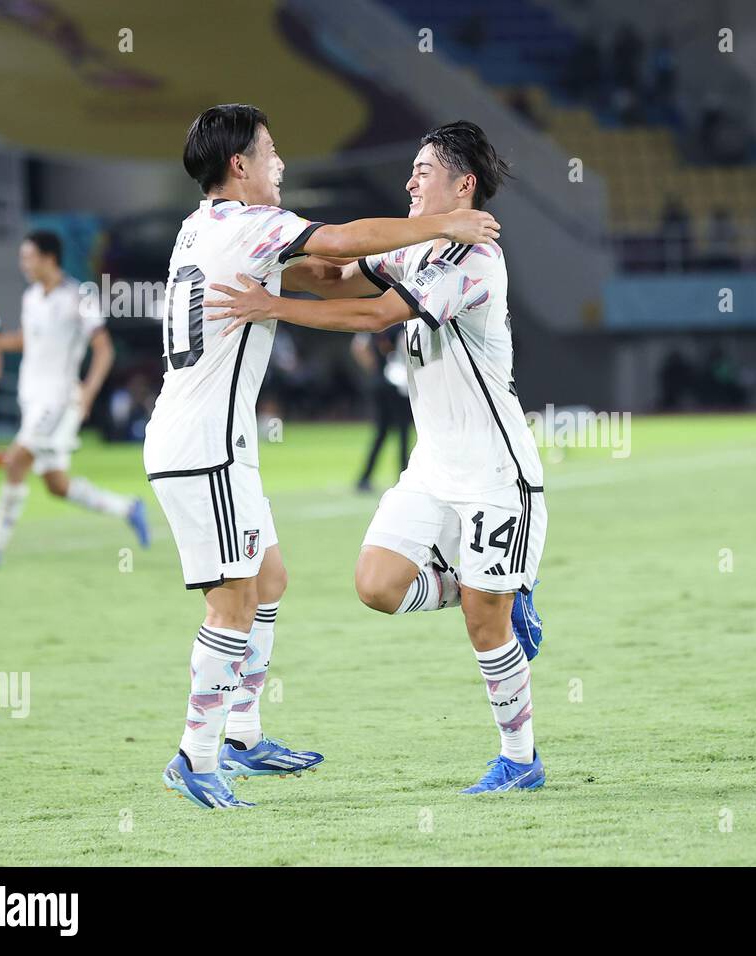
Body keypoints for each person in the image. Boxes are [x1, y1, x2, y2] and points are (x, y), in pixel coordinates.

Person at [146, 104, 500, 809]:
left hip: (214, 442)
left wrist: (361, 268)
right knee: (235, 600)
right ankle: (195, 754)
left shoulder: (202, 226)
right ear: (239, 165)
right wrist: (443, 224)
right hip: (203, 447)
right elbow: (337, 240)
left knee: (268, 578)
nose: (281, 163)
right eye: (271, 150)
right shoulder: (252, 224)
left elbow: (324, 267)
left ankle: (242, 735)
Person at [0, 231, 149, 570]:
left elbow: (103, 349)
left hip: (59, 400)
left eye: (28, 257)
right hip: (32, 399)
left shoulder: (79, 297)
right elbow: (26, 341)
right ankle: (128, 508)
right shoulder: (32, 296)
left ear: (49, 258)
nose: (24, 264)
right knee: (56, 485)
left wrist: (88, 392)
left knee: (15, 460)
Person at [352, 327, 412, 492]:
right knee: (403, 431)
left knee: (381, 433)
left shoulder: (373, 321)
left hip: (380, 381)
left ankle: (364, 478)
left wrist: (375, 369)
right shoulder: (400, 323)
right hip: (397, 382)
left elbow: (358, 346)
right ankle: (403, 477)